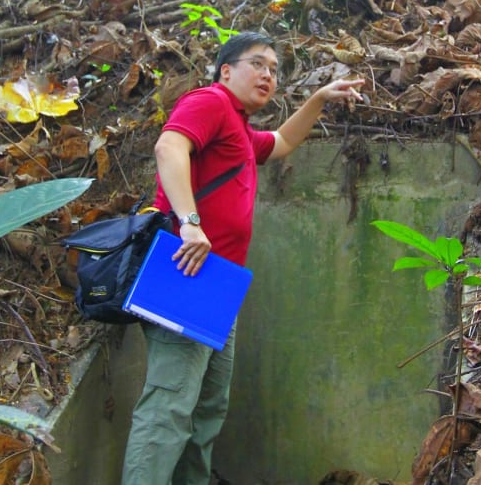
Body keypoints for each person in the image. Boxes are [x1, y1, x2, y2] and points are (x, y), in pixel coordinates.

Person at [121, 31, 365, 485]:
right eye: (258, 64)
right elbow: (169, 147)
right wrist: (190, 221)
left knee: (208, 408)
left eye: (274, 69)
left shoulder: (237, 127)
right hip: (186, 271)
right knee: (169, 406)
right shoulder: (209, 102)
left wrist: (318, 98)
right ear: (226, 70)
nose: (268, 75)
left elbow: (281, 142)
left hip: (218, 284)